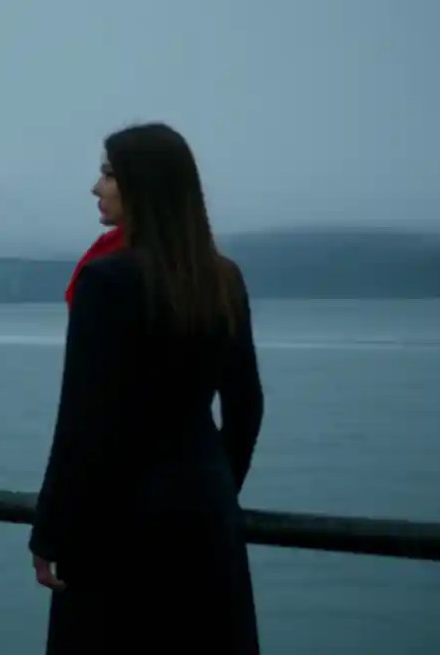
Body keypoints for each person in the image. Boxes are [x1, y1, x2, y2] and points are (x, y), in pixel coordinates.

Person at [28, 122, 264, 653]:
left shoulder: (106, 281)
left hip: (115, 527)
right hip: (206, 520)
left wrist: (49, 530)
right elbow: (246, 405)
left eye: (108, 173)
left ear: (142, 183)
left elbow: (81, 421)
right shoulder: (223, 277)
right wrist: (216, 489)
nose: (96, 187)